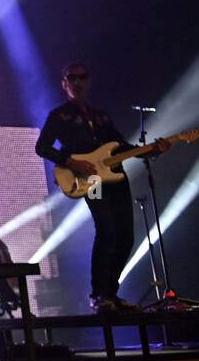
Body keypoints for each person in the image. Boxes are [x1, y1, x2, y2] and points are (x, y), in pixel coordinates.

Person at [35, 62, 167, 313]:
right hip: (91, 181)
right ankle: (98, 295)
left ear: (89, 81)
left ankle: (110, 293)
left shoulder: (101, 116)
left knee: (126, 236)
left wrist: (152, 150)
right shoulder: (59, 116)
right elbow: (42, 147)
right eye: (71, 78)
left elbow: (120, 147)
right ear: (64, 84)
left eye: (81, 77)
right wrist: (71, 162)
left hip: (115, 177)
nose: (77, 82)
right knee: (106, 230)